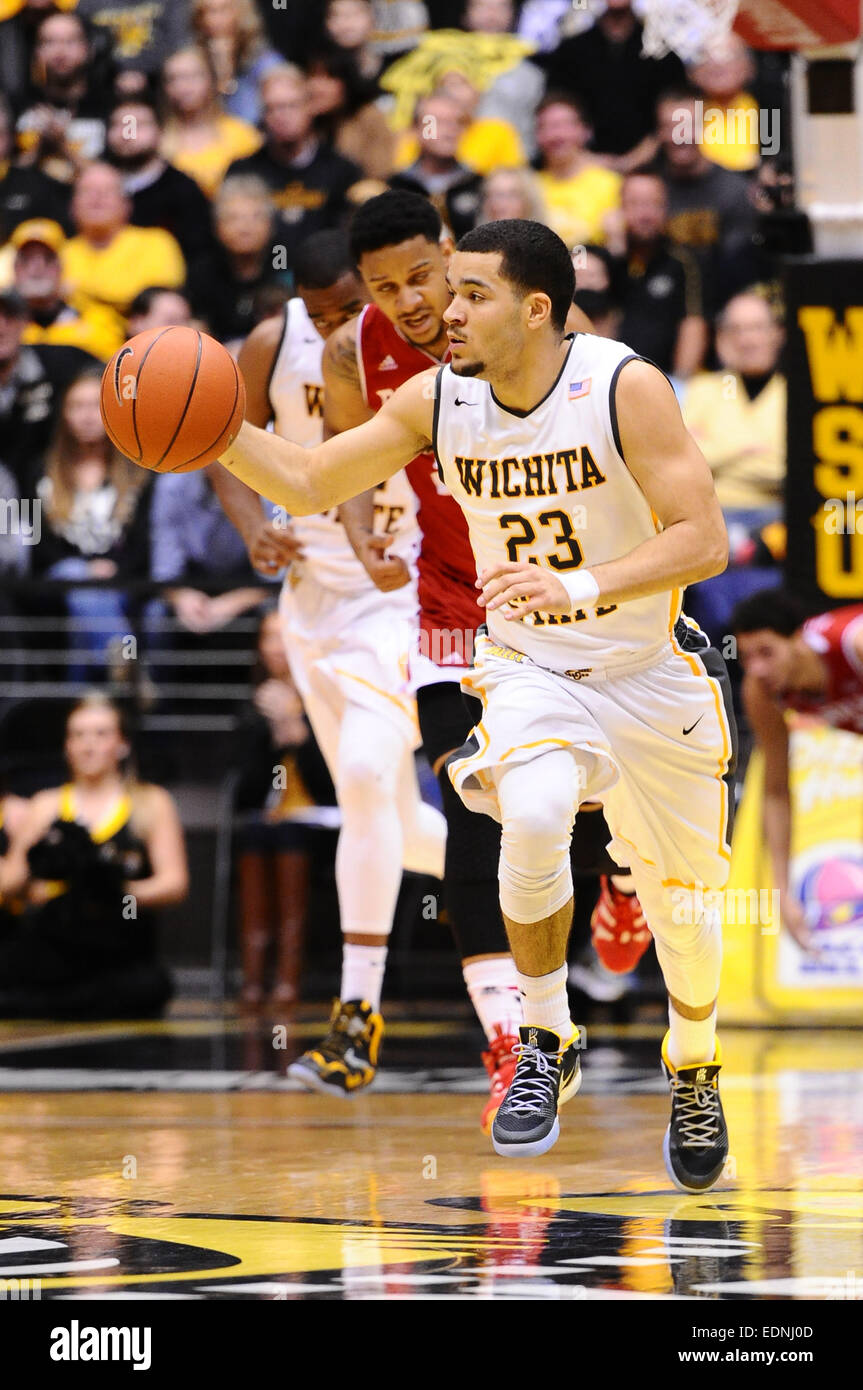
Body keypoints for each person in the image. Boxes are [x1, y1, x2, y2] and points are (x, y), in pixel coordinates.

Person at [218, 217, 736, 1192]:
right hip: (526, 667)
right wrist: (218, 430)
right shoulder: (433, 397)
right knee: (526, 815)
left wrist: (579, 586)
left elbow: (701, 539)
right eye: (441, 291)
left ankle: (695, 1062)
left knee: (684, 910)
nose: (441, 312)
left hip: (641, 665)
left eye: (468, 295)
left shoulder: (622, 385)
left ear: (534, 309)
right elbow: (311, 475)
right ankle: (543, 1033)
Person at [213, 232, 449, 1061]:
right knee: (375, 812)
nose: (339, 325)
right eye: (323, 314)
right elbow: (220, 442)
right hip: (311, 599)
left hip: (400, 591)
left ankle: (355, 1018)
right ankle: (514, 876)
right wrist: (254, 529)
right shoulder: (274, 342)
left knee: (360, 773)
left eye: (353, 306)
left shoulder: (420, 335)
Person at [0, 693, 188, 1018]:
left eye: (101, 734)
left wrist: (114, 893)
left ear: (122, 744)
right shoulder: (46, 804)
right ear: (67, 746)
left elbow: (174, 883)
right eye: (78, 735)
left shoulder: (151, 802)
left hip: (119, 945)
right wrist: (39, 887)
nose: (88, 745)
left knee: (147, 988)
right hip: (55, 945)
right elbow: (12, 880)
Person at [733, 590, 863, 951]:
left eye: (766, 652)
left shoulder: (853, 644)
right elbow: (776, 791)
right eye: (746, 656)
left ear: (799, 639)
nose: (756, 668)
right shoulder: (761, 691)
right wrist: (782, 890)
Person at [233, 608, 337, 1007]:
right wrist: (272, 734)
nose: (276, 647)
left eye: (284, 635)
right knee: (259, 831)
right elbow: (244, 791)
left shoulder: (326, 698)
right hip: (270, 823)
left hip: (323, 822)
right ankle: (255, 975)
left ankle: (289, 974)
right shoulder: (250, 706)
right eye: (268, 637)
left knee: (289, 832)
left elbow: (332, 787)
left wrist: (298, 730)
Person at [31, 369, 152, 680]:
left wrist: (114, 569)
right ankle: (124, 660)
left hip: (120, 582)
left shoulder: (140, 473)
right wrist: (86, 569)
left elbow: (146, 542)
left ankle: (86, 699)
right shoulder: (35, 473)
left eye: (95, 406)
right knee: (77, 580)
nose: (86, 416)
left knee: (87, 603)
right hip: (57, 583)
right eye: (76, 406)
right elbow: (32, 543)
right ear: (63, 414)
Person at [225, 65, 362, 268]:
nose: (281, 116)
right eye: (272, 108)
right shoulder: (243, 172)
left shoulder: (342, 171)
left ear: (309, 107)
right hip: (264, 281)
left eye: (291, 106)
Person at [538, 0, 686, 172]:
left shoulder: (663, 54)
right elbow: (553, 110)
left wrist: (637, 158)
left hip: (653, 169)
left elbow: (679, 112)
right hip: (580, 171)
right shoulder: (569, 52)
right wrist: (589, 159)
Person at [61, 162, 186, 352]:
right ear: (72, 205)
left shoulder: (156, 243)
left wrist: (81, 290)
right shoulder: (59, 254)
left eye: (107, 191)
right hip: (74, 352)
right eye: (87, 191)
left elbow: (156, 304)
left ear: (126, 204)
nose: (97, 198)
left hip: (145, 352)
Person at [653, 87, 758, 312]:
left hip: (720, 304)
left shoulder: (734, 190)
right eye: (671, 127)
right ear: (659, 132)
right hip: (662, 305)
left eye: (689, 126)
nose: (681, 136)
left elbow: (738, 270)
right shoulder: (649, 189)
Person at [607, 171, 707, 379]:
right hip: (609, 381)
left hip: (665, 379)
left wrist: (680, 384)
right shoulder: (603, 260)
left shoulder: (683, 261)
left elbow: (693, 323)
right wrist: (613, 253)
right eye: (635, 204)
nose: (645, 214)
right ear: (620, 209)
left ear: (666, 209)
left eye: (654, 204)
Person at [0, 285, 99, 492]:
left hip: (42, 503)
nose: (1, 327)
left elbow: (114, 377)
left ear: (26, 321)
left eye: (10, 315)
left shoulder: (60, 363)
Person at [105, 94, 217, 267]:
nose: (127, 134)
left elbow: (199, 257)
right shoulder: (94, 187)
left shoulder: (184, 190)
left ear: (160, 132)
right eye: (118, 125)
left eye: (138, 125)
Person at [187, 175, 289, 343]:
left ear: (271, 224)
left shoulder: (284, 260)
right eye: (233, 218)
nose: (245, 228)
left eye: (255, 217)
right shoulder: (202, 272)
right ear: (217, 227)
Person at [14, 10, 110, 184]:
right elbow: (8, 181)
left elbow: (120, 180)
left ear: (89, 49)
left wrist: (62, 146)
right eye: (49, 42)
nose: (60, 52)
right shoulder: (18, 104)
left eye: (70, 41)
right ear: (37, 52)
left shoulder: (111, 105)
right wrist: (40, 148)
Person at [159, 44, 262, 199]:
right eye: (173, 79)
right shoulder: (158, 140)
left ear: (212, 80)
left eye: (193, 76)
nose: (183, 86)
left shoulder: (243, 135)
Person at [10, 217, 118, 359]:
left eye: (48, 258)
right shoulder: (5, 328)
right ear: (15, 268)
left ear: (62, 267)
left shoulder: (98, 322)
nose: (37, 268)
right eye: (26, 260)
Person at [389, 90, 484, 239]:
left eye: (457, 122)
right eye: (437, 122)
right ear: (416, 129)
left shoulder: (479, 184)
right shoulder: (395, 187)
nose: (450, 131)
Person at [533, 94, 622, 250]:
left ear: (585, 131)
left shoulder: (612, 184)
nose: (555, 136)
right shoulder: (529, 186)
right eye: (545, 127)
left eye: (563, 125)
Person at [306, 46, 397, 181]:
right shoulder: (306, 119)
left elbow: (380, 174)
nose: (316, 87)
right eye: (312, 76)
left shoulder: (369, 117)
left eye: (328, 78)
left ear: (347, 82)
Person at [190, 0, 283, 126]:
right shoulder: (193, 59)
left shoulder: (264, 60)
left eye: (223, 9)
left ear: (241, 12)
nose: (214, 19)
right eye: (207, 12)